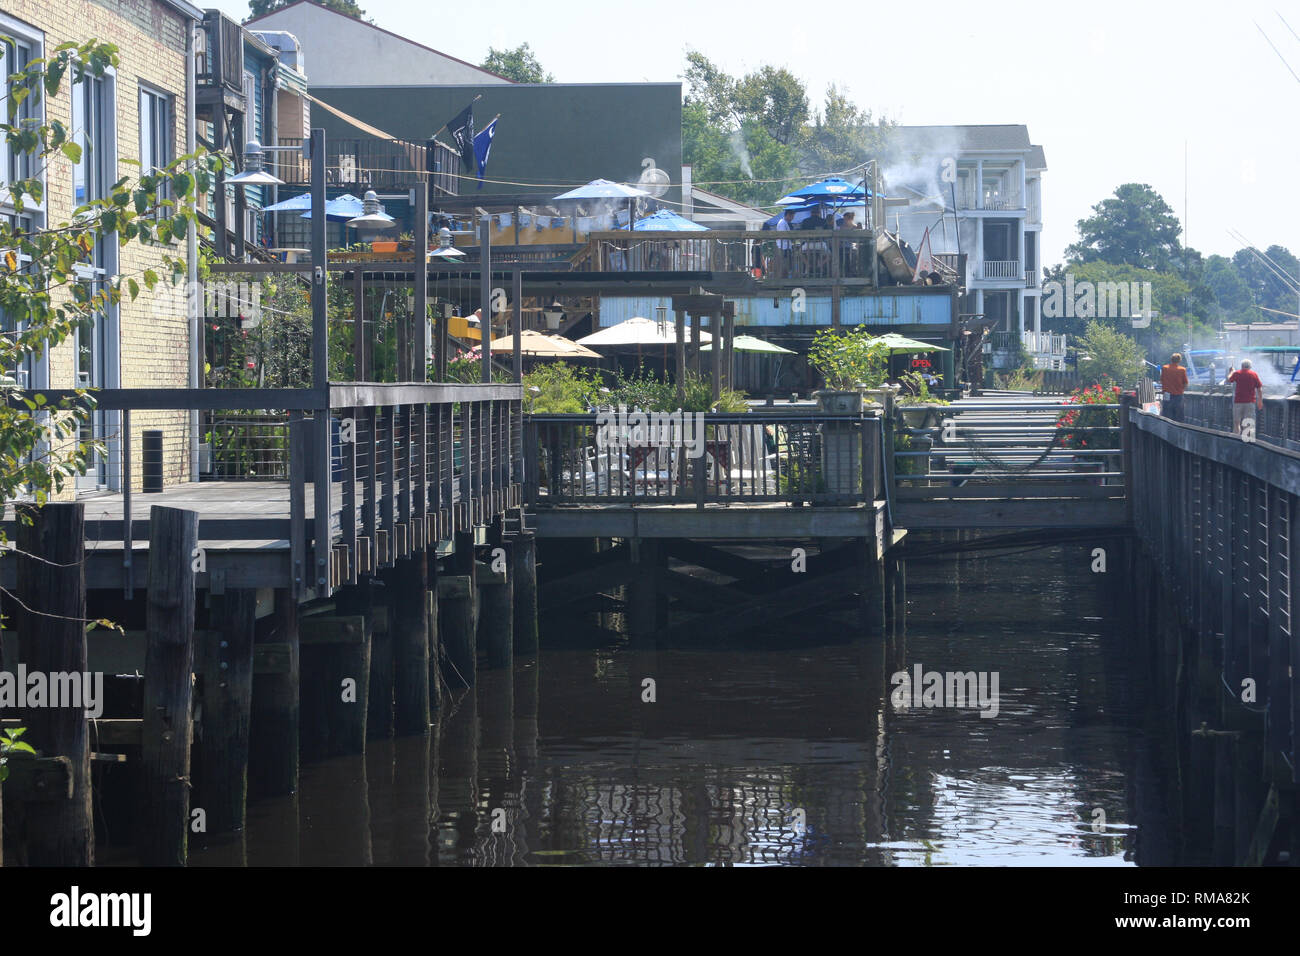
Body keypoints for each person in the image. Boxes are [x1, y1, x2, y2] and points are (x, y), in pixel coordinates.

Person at [1226, 358, 1264, 434]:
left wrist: (1231, 372)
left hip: (1238, 402)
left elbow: (1229, 380)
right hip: (1250, 403)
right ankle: (1247, 441)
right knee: (1248, 424)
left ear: (1242, 366)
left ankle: (1236, 440)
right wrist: (1260, 401)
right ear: (1250, 366)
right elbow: (1259, 389)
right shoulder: (1254, 374)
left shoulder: (1237, 373)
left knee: (1237, 423)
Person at [1159, 352, 1188, 421]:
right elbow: (1185, 383)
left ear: (1171, 359)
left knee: (1166, 415)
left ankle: (1166, 429)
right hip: (1178, 395)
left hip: (1167, 394)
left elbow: (1161, 380)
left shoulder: (1165, 368)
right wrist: (1181, 390)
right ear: (1179, 360)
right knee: (1178, 416)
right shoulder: (1182, 369)